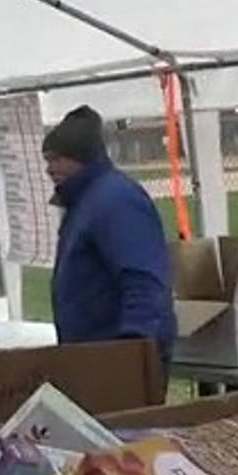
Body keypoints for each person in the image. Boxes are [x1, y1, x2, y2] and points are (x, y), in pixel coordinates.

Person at [42, 104, 176, 362]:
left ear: (82, 157)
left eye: (57, 159)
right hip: (92, 355)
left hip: (118, 357)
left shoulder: (116, 201)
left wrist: (133, 349)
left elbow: (143, 279)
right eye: (47, 160)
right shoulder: (84, 202)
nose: (49, 169)